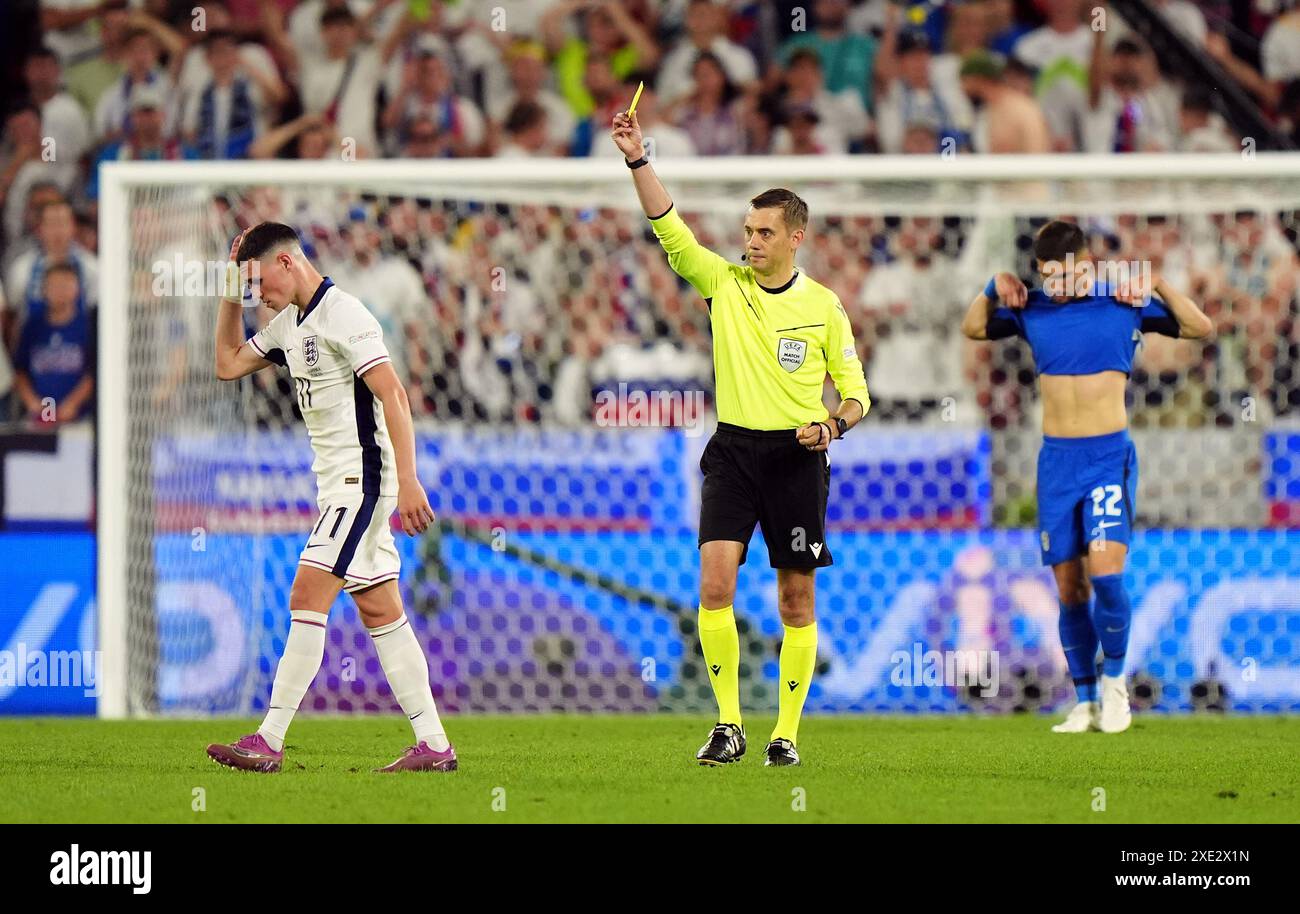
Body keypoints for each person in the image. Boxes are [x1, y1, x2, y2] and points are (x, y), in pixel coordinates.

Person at [610, 107, 871, 767]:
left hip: (797, 458)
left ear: (795, 238)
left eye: (762, 232)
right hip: (732, 452)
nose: (750, 242)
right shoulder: (723, 286)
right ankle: (729, 725)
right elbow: (670, 231)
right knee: (715, 584)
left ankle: (785, 732)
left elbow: (858, 394)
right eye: (746, 231)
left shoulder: (824, 308)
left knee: (795, 596)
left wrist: (830, 425)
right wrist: (639, 159)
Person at [207, 221, 454, 773]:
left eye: (259, 282)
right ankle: (435, 745)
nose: (257, 295)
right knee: (380, 609)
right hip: (338, 488)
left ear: (288, 263)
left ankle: (269, 739)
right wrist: (229, 287)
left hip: (361, 486)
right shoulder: (286, 327)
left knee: (306, 594)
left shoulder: (346, 315)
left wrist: (409, 480)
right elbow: (226, 364)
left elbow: (393, 392)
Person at [961, 220, 1213, 734]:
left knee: (1106, 575)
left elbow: (1199, 327)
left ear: (1086, 263)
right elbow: (972, 327)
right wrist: (994, 285)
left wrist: (1157, 282)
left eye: (1062, 274)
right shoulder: (1034, 306)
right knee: (1071, 590)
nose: (1054, 284)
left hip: (1105, 458)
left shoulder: (1122, 301)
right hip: (1056, 462)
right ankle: (1084, 701)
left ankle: (1115, 685)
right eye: (1046, 275)